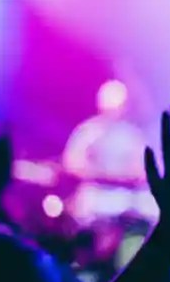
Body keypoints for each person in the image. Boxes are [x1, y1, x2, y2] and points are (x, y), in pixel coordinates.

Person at [63, 80, 154, 225]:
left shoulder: (132, 136)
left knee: (151, 207)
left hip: (126, 197)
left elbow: (144, 170)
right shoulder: (89, 131)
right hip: (95, 196)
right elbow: (71, 164)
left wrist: (126, 176)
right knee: (85, 208)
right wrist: (102, 174)